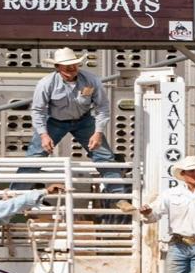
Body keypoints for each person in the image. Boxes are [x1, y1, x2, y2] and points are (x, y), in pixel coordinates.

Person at [22, 47, 126, 193]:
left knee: (104, 156)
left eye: (74, 65)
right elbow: (38, 110)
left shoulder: (91, 80)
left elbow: (102, 107)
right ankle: (15, 196)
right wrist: (43, 135)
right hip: (55, 122)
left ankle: (118, 197)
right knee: (35, 157)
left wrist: (98, 132)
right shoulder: (46, 83)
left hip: (84, 121)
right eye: (67, 66)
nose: (71, 68)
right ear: (57, 67)